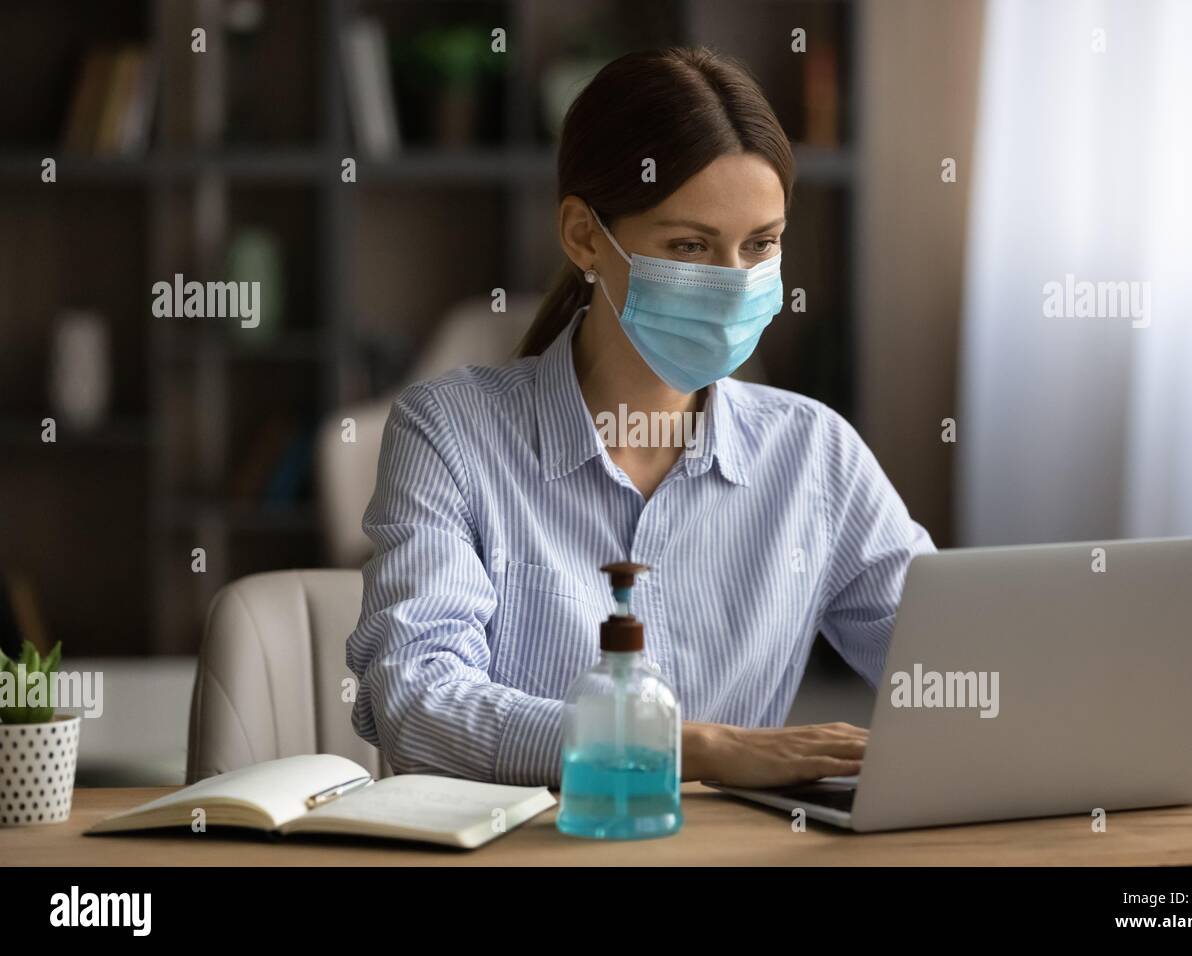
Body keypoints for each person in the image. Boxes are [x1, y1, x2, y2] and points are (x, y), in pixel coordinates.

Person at [346, 47, 934, 789]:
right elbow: (418, 702)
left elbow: (954, 668)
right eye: (689, 246)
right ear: (585, 237)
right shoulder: (450, 432)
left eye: (761, 245)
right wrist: (687, 746)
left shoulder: (815, 453)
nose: (733, 282)